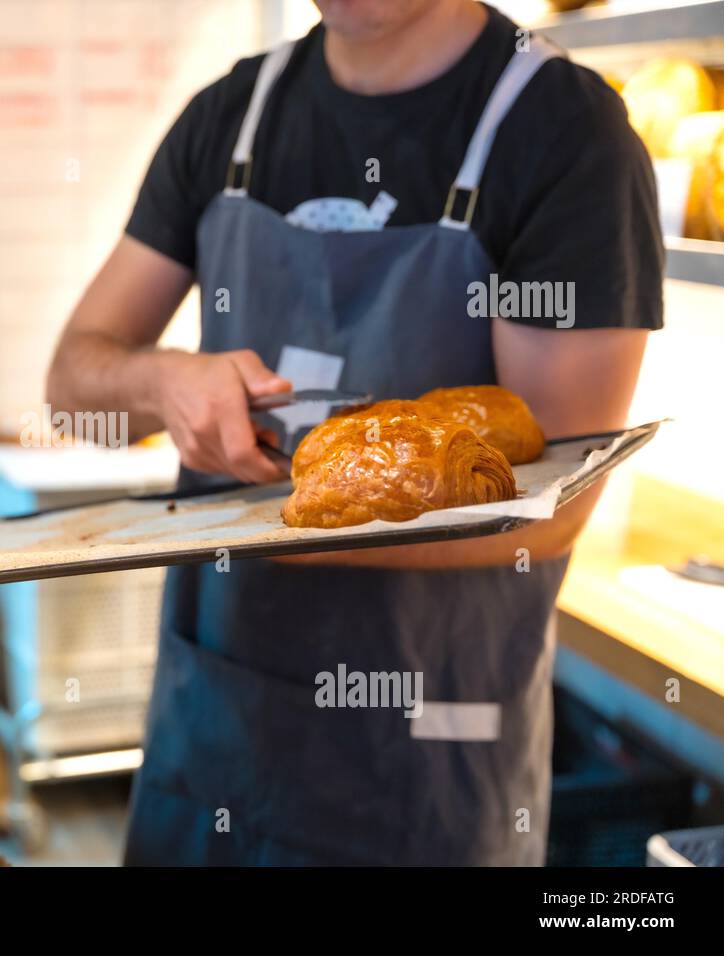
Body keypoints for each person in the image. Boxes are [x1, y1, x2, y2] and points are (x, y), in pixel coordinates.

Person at [45, 0, 662, 865]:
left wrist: (273, 529)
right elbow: (73, 389)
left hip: (425, 767)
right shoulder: (230, 117)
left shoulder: (564, 132)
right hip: (215, 735)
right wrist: (162, 381)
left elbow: (551, 507)